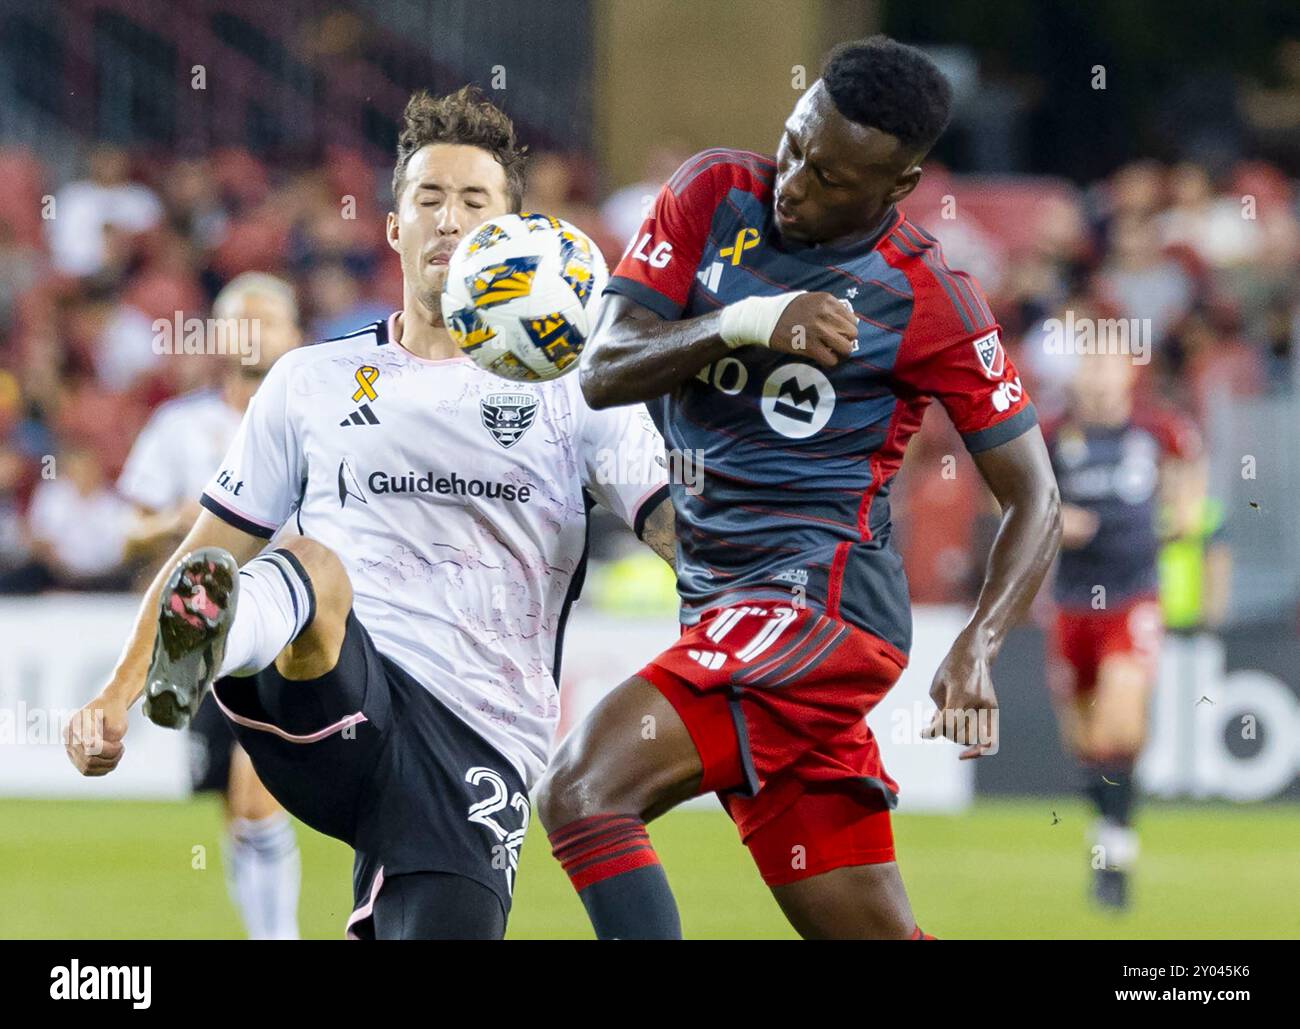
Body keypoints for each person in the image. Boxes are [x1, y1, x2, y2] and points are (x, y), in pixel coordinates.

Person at [65, 86, 674, 940]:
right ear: (393, 227)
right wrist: (112, 699)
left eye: (474, 202)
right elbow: (206, 550)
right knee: (309, 566)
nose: (448, 221)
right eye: (428, 200)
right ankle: (205, 655)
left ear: (510, 232)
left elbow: (668, 522)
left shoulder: (577, 391)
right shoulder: (307, 383)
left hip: (479, 737)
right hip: (334, 695)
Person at [535, 35, 1062, 940]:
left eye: (829, 178)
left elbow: (1034, 498)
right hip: (720, 606)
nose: (794, 184)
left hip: (820, 610)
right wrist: (744, 322)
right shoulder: (713, 194)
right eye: (794, 145)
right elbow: (605, 366)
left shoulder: (927, 295)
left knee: (584, 789)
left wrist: (978, 640)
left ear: (896, 187)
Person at [116, 272, 304, 940]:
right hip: (206, 634)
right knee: (235, 801)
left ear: (294, 334)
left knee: (256, 791)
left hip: (292, 621)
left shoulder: (313, 416)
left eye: (267, 319)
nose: (252, 332)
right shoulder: (181, 424)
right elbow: (129, 528)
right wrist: (191, 521)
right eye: (239, 319)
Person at [1045, 351, 1200, 909]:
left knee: (1119, 721)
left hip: (1133, 595)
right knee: (1085, 740)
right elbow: (1009, 494)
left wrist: (1184, 510)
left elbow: (1188, 474)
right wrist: (1055, 520)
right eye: (1089, 367)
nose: (1098, 377)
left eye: (1108, 366)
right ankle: (1108, 833)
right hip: (1070, 602)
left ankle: (1115, 856)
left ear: (1128, 374)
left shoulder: (1156, 429)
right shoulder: (1052, 435)